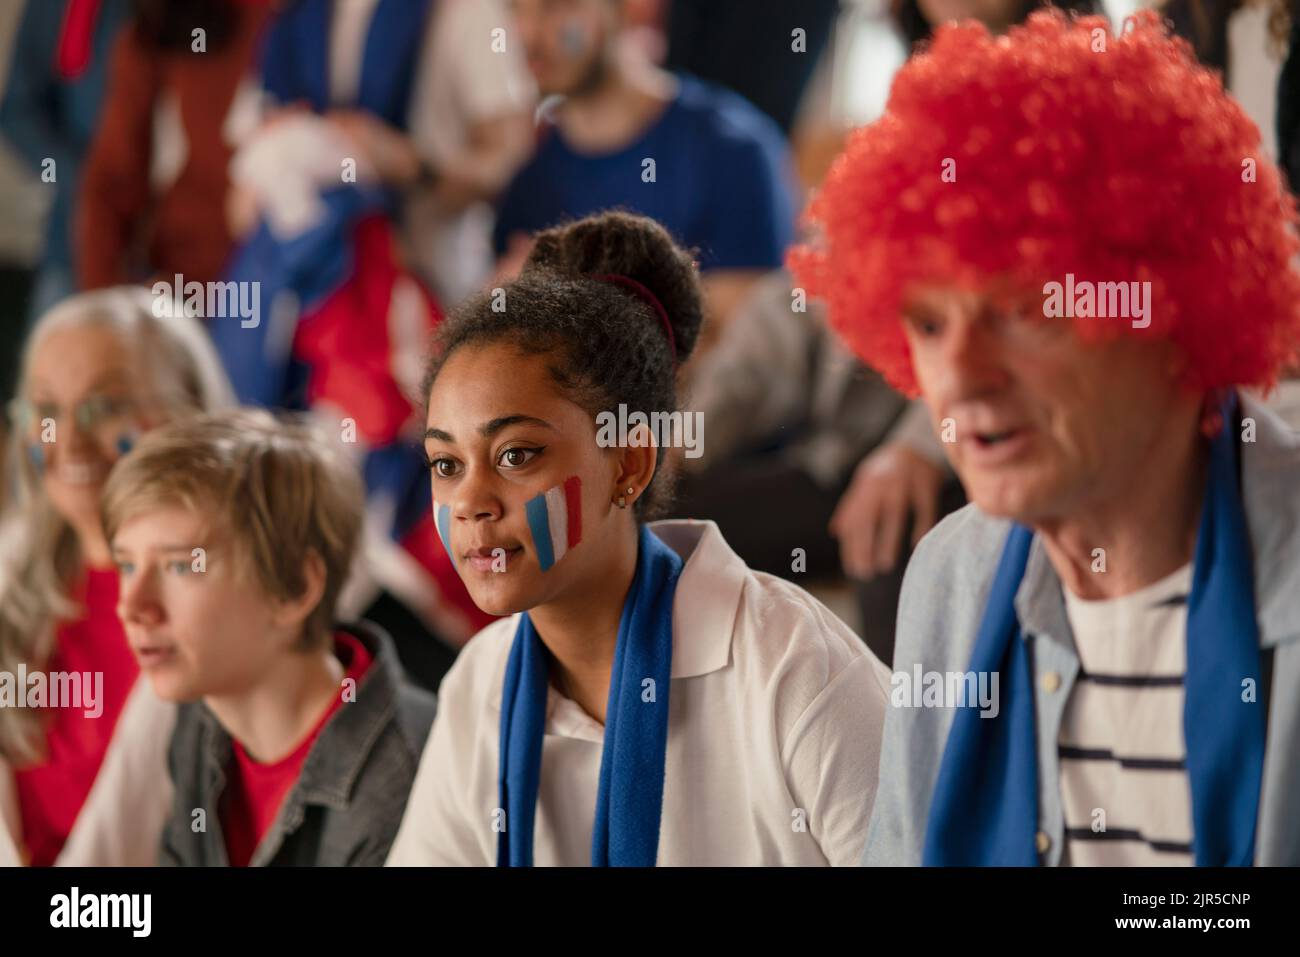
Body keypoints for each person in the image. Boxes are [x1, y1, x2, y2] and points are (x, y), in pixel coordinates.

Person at [792, 10, 1300, 865]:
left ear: (1171, 309)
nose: (960, 373)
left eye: (1026, 311)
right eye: (926, 320)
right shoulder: (952, 576)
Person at [387, 211, 889, 866]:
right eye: (446, 464)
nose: (471, 503)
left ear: (628, 465)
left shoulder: (793, 669)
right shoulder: (480, 685)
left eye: (517, 455)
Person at [103, 409, 436, 866]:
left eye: (181, 566)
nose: (132, 606)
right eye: (127, 565)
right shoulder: (199, 716)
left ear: (295, 587)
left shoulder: (409, 784)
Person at [0, 286, 233, 866]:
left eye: (105, 408)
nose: (70, 440)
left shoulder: (250, 599)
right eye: (46, 412)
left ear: (189, 413)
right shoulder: (6, 579)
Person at [493, 0, 798, 336]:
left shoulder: (733, 152)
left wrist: (558, 298)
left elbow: (737, 348)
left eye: (557, 7)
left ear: (628, 9)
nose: (528, 35)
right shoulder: (530, 179)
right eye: (515, 9)